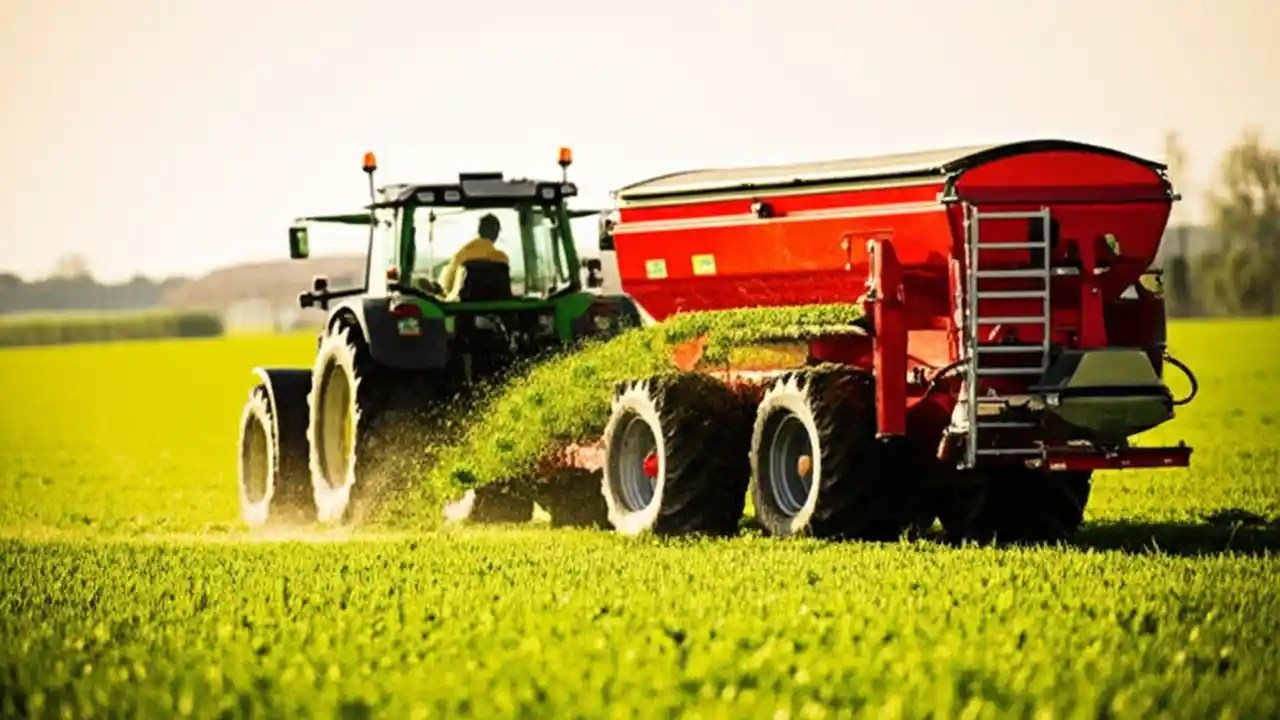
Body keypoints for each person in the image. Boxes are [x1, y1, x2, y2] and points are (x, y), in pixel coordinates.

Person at [437, 213, 510, 298]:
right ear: (497, 233)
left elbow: (447, 288)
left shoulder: (460, 255)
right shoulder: (502, 258)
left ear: (479, 231)